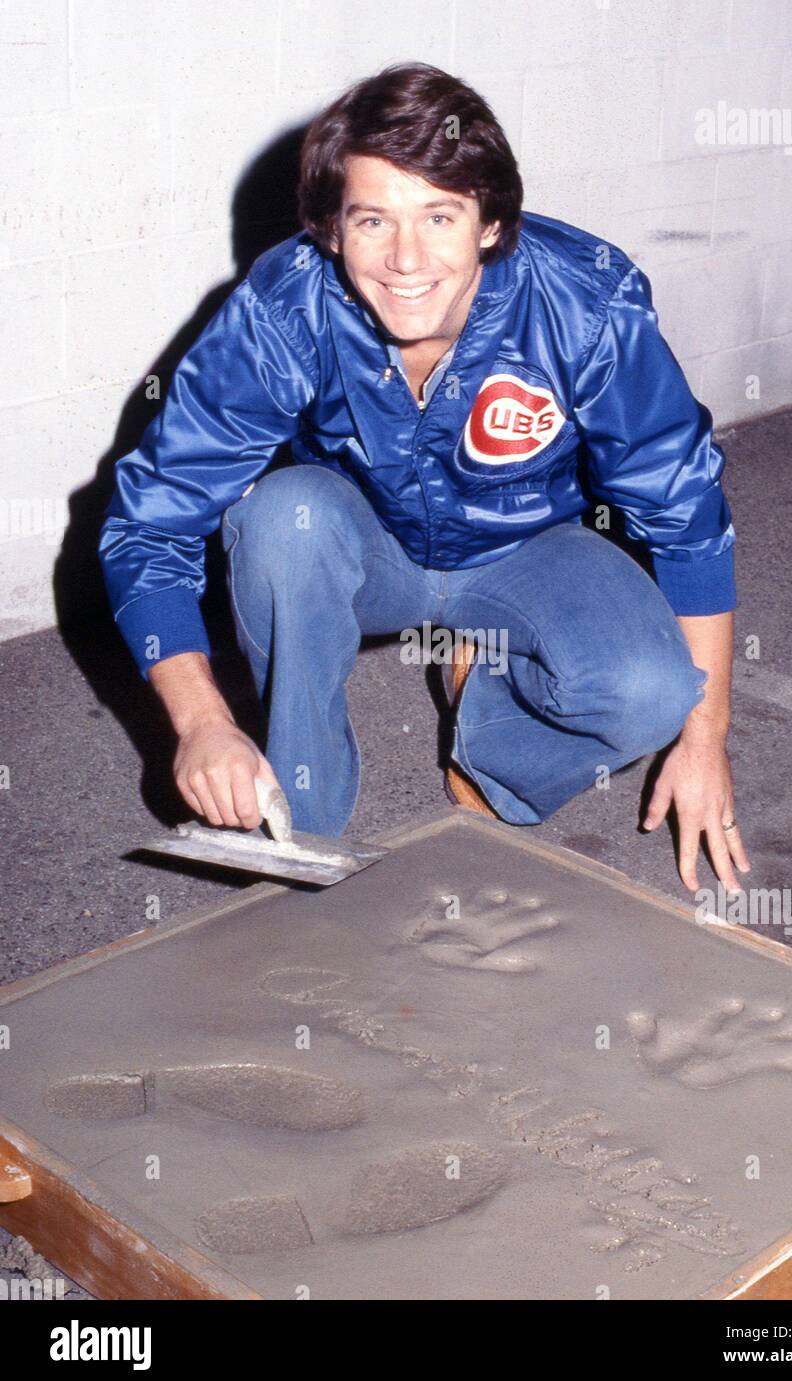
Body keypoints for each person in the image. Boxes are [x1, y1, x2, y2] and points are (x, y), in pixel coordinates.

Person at [99, 61, 751, 895]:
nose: (406, 259)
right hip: (370, 549)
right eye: (372, 220)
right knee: (284, 518)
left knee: (652, 692)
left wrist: (704, 741)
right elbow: (149, 522)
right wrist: (202, 724)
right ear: (332, 230)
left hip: (530, 547)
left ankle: (489, 726)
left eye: (439, 216)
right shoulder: (285, 309)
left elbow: (688, 516)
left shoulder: (586, 307)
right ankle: (299, 829)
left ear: (490, 223)